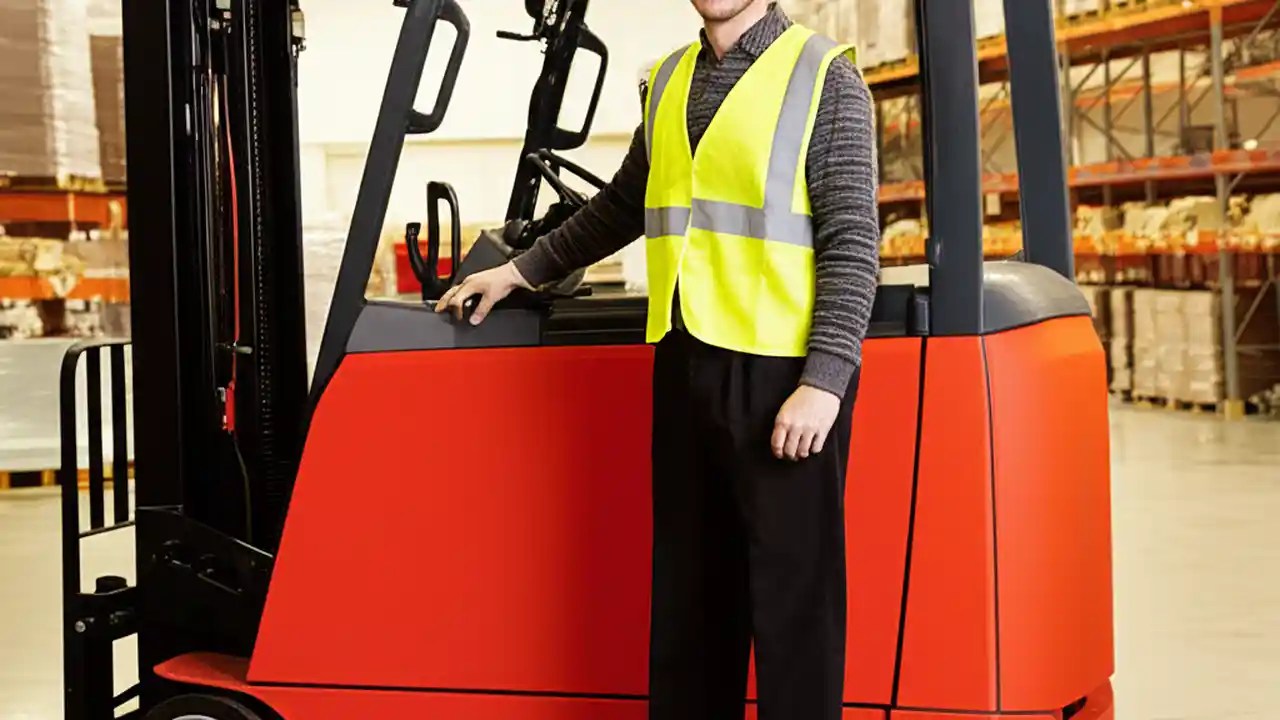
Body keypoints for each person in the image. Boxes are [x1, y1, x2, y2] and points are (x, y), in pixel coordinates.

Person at [437, 1, 880, 718]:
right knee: (690, 601)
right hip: (685, 360)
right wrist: (518, 272)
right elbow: (620, 207)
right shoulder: (670, 79)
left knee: (794, 609)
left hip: (779, 377)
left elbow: (854, 240)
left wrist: (825, 380)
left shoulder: (822, 77)